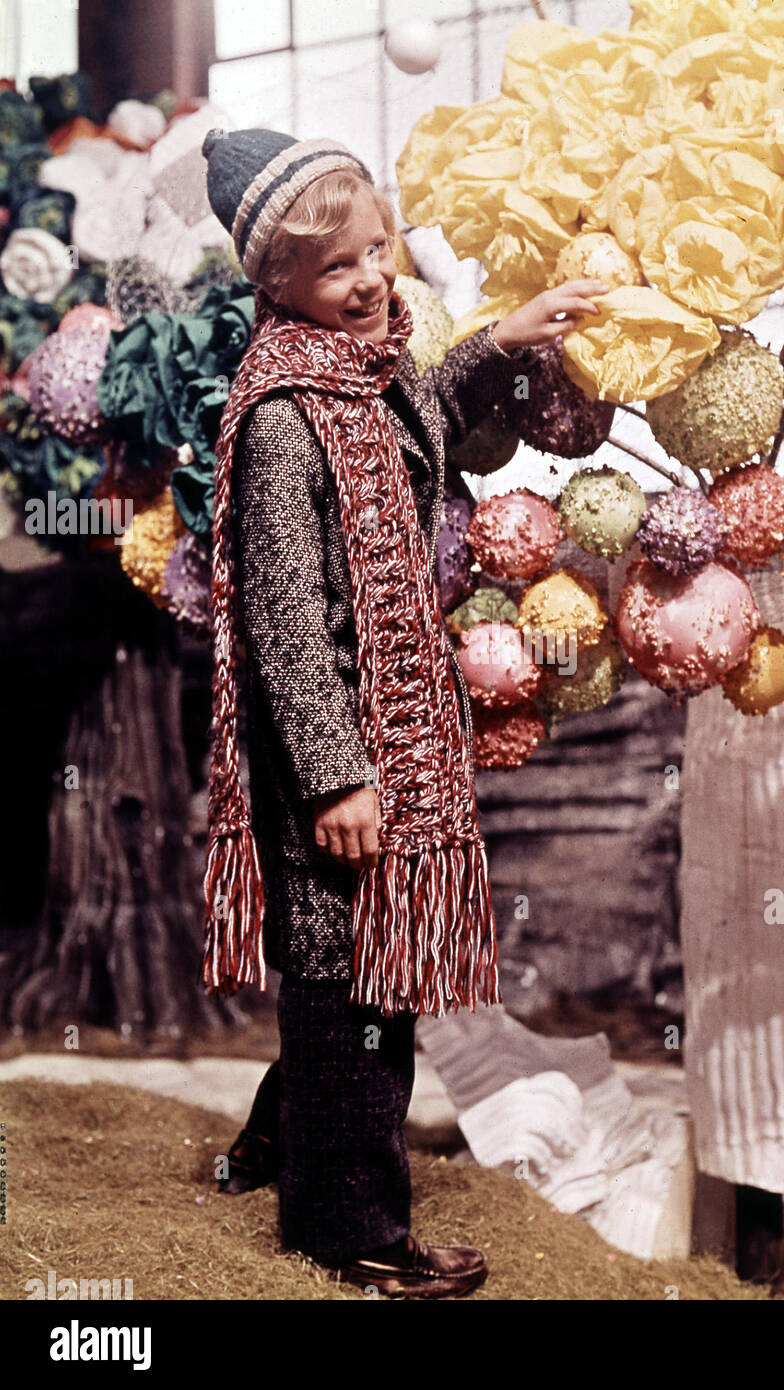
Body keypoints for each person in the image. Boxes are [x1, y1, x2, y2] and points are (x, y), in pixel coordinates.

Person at [199, 126, 607, 1298]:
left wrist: (498, 346)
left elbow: (421, 413)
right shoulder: (283, 418)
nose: (375, 278)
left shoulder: (363, 375)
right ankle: (355, 1231)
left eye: (379, 248)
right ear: (274, 285)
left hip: (391, 728)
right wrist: (334, 777)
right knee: (351, 991)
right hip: (334, 758)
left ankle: (275, 1146)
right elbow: (283, 626)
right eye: (340, 269)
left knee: (357, 980)